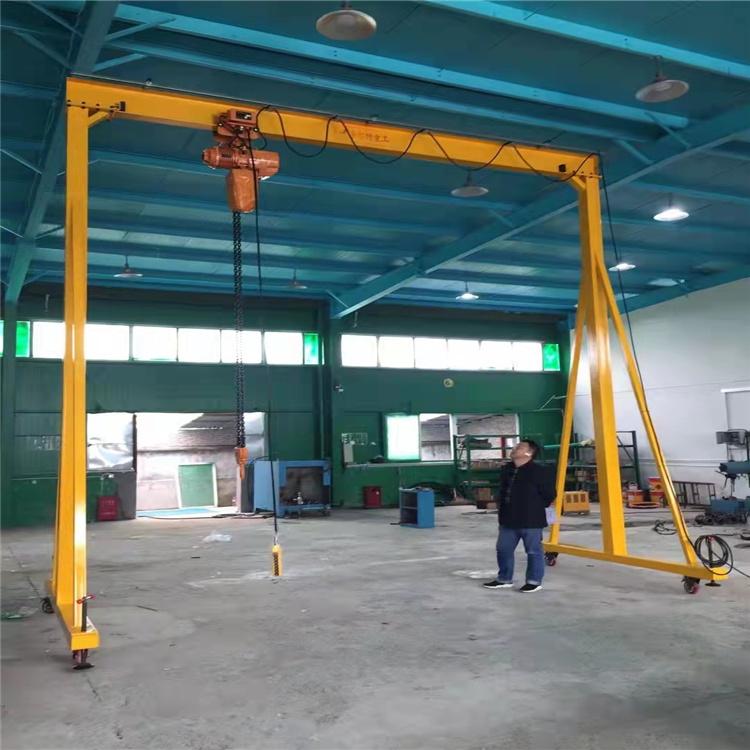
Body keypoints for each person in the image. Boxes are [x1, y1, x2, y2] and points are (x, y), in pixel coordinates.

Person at [483, 439, 556, 593]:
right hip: (508, 519)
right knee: (503, 549)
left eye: (520, 447)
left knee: (533, 551)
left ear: (529, 453)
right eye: (516, 446)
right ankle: (504, 579)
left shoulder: (540, 471)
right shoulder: (507, 470)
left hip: (531, 519)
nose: (515, 448)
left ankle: (534, 581)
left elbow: (549, 495)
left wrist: (532, 506)